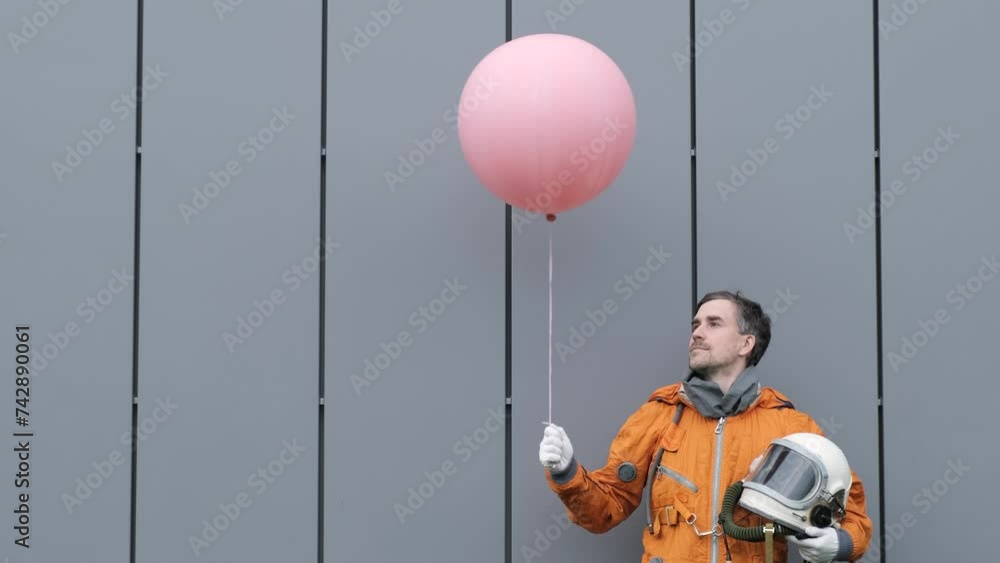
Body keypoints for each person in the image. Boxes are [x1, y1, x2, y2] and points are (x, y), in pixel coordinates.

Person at [538, 290, 872, 562]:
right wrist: (567, 472)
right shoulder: (658, 415)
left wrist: (840, 543)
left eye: (714, 324)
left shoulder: (789, 426)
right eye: (696, 324)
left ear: (746, 343)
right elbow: (603, 511)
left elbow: (852, 513)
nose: (697, 332)